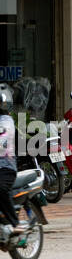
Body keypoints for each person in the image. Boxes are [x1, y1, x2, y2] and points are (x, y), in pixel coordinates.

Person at [0, 86, 23, 239]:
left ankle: (15, 223)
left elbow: (2, 139)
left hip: (5, 168)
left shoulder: (6, 121)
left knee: (0, 188)